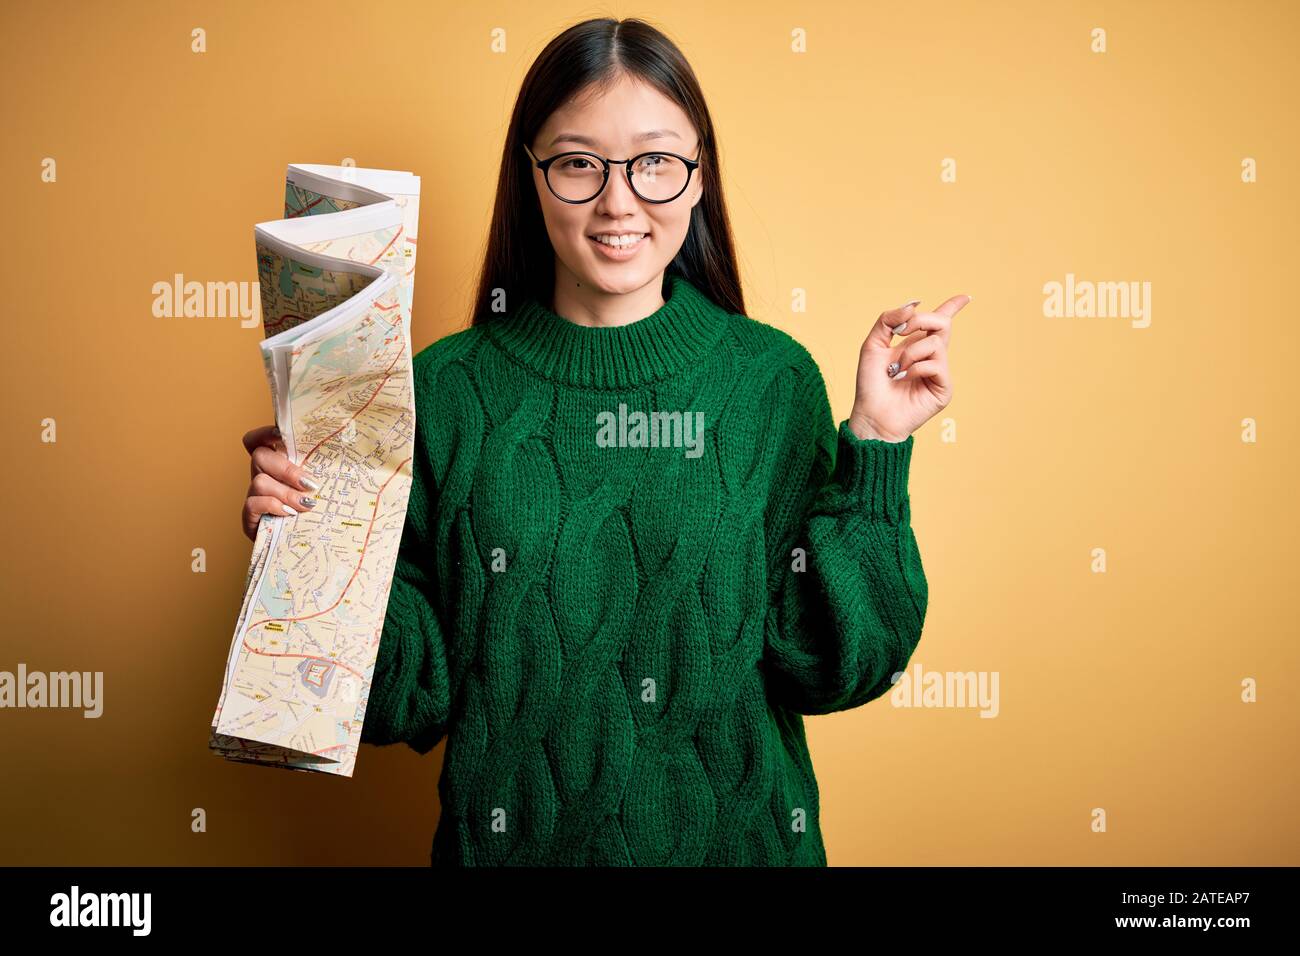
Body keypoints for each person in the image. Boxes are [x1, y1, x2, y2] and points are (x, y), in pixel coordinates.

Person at [239, 16, 968, 866]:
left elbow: (835, 666)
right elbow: (408, 699)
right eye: (579, 162)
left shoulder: (772, 382)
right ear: (531, 178)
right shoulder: (439, 393)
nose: (619, 201)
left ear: (698, 179)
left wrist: (874, 445)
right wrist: (308, 545)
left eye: (656, 162)